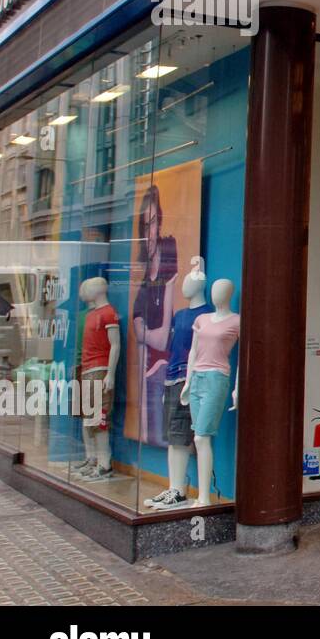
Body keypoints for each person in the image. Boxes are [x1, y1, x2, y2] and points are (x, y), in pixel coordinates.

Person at [132, 184, 178, 446]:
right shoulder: (144, 281)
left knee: (162, 436)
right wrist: (147, 334)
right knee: (151, 435)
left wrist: (145, 333)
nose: (147, 233)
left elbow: (160, 340)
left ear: (159, 223)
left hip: (162, 366)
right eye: (143, 226)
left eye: (151, 224)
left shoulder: (169, 250)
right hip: (147, 370)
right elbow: (139, 331)